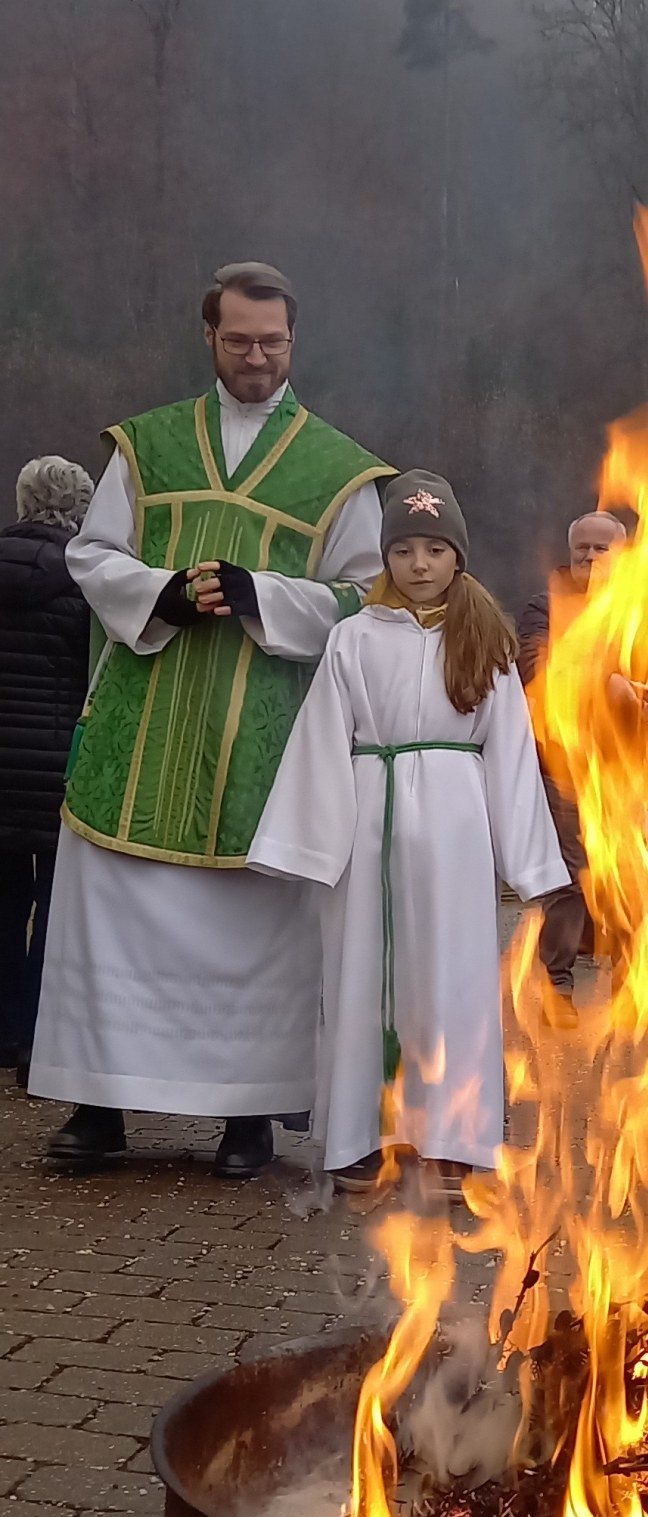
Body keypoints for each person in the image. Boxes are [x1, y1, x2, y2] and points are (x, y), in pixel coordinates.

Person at [29, 262, 394, 1177]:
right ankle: (99, 1104)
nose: (256, 358)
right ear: (209, 337)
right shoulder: (144, 446)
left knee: (259, 919)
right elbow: (92, 554)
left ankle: (248, 1115)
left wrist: (261, 594)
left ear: (293, 340)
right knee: (111, 903)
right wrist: (162, 595)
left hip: (264, 728)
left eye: (272, 342)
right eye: (238, 341)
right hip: (144, 717)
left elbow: (365, 597)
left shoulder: (341, 470)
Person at [248, 470, 568, 1189]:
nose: (419, 564)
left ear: (457, 556)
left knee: (455, 978)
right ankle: (362, 1133)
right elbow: (322, 741)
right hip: (371, 822)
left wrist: (531, 863)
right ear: (385, 557)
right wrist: (306, 846)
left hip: (456, 829)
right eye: (403, 550)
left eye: (434, 549)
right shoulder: (352, 639)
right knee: (361, 975)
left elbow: (511, 753)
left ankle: (455, 1135)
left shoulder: (485, 641)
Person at [0, 457, 94, 1086]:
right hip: (61, 771)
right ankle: (39, 1040)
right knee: (57, 914)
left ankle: (3, 1033)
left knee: (3, 905)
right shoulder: (88, 583)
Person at [517, 512, 626, 1027]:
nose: (590, 556)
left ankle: (632, 983)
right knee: (568, 871)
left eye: (602, 548)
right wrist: (606, 681)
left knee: (631, 872)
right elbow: (536, 671)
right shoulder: (544, 607)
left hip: (632, 761)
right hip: (564, 759)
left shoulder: (645, 606)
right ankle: (556, 983)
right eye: (582, 547)